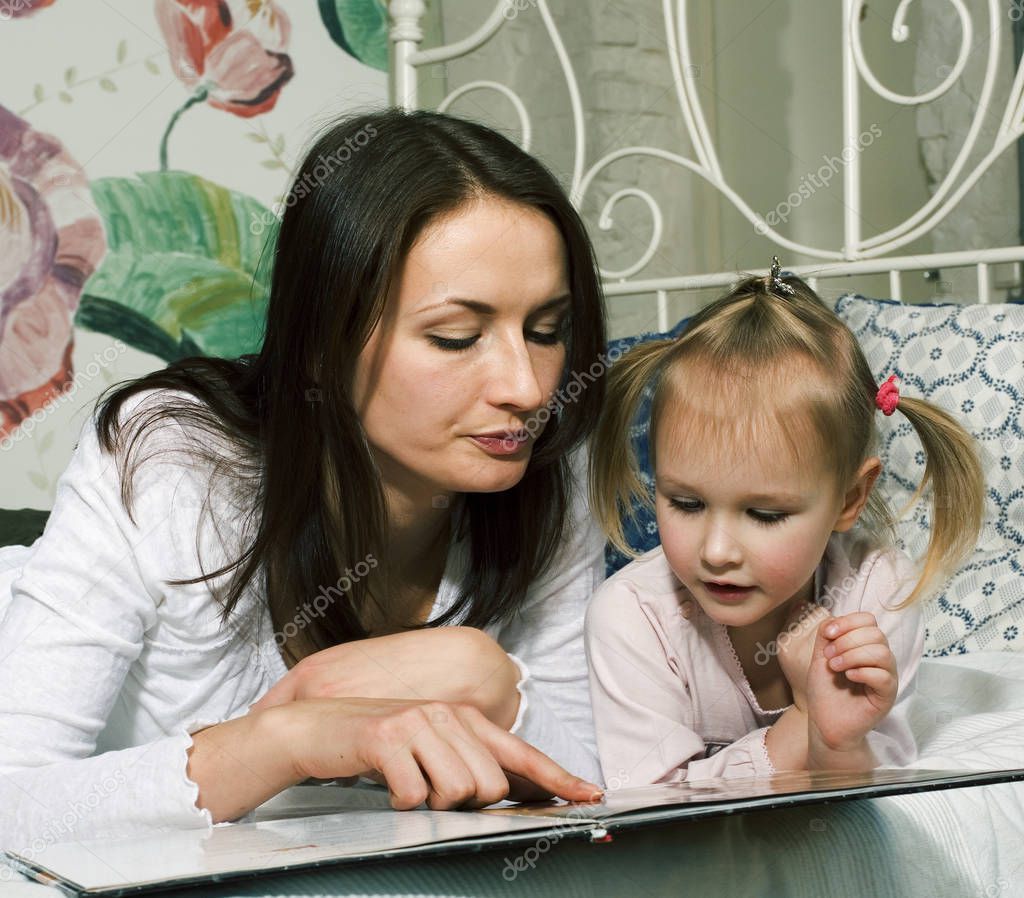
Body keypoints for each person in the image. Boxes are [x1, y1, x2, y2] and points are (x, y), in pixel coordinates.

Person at [0, 108, 608, 850]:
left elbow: (598, 805)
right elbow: (10, 806)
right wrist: (288, 739)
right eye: (457, 338)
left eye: (547, 330)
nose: (527, 386)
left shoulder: (550, 470)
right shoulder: (167, 463)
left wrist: (493, 683)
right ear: (323, 342)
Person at [585, 260, 984, 787]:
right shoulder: (632, 617)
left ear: (850, 498)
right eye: (686, 503)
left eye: (765, 514)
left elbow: (879, 795)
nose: (717, 551)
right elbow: (649, 807)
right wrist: (806, 719)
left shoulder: (878, 592)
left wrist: (839, 742)